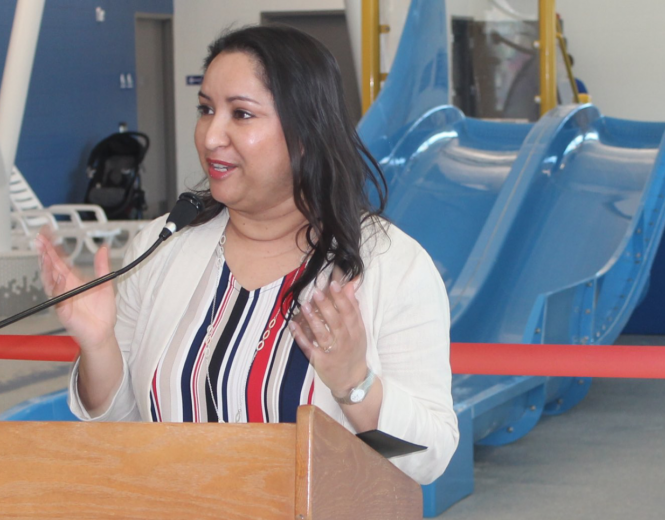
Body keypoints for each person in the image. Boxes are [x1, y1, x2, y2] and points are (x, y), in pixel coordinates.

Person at [36, 25, 457, 484]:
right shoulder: (162, 247)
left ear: (305, 132)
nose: (211, 136)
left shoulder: (394, 267)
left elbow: (426, 458)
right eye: (206, 110)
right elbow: (123, 421)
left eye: (241, 114)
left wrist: (355, 382)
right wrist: (98, 346)